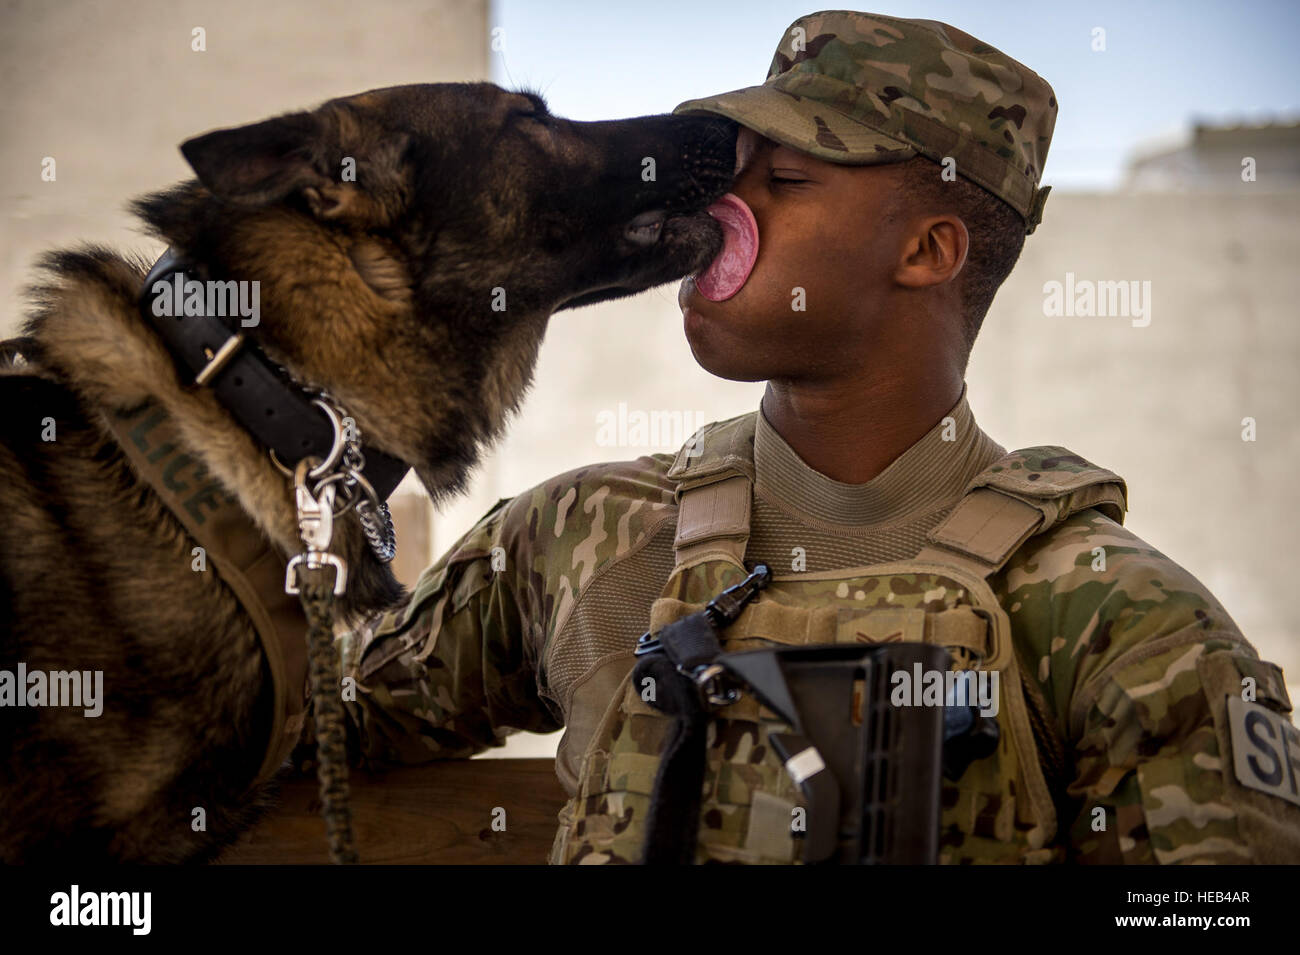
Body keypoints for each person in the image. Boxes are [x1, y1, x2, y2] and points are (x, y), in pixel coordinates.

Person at [329, 11, 1300, 863]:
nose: (720, 208)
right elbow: (312, 728)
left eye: (785, 179)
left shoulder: (1125, 623)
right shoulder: (578, 534)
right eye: (729, 173)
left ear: (927, 251)